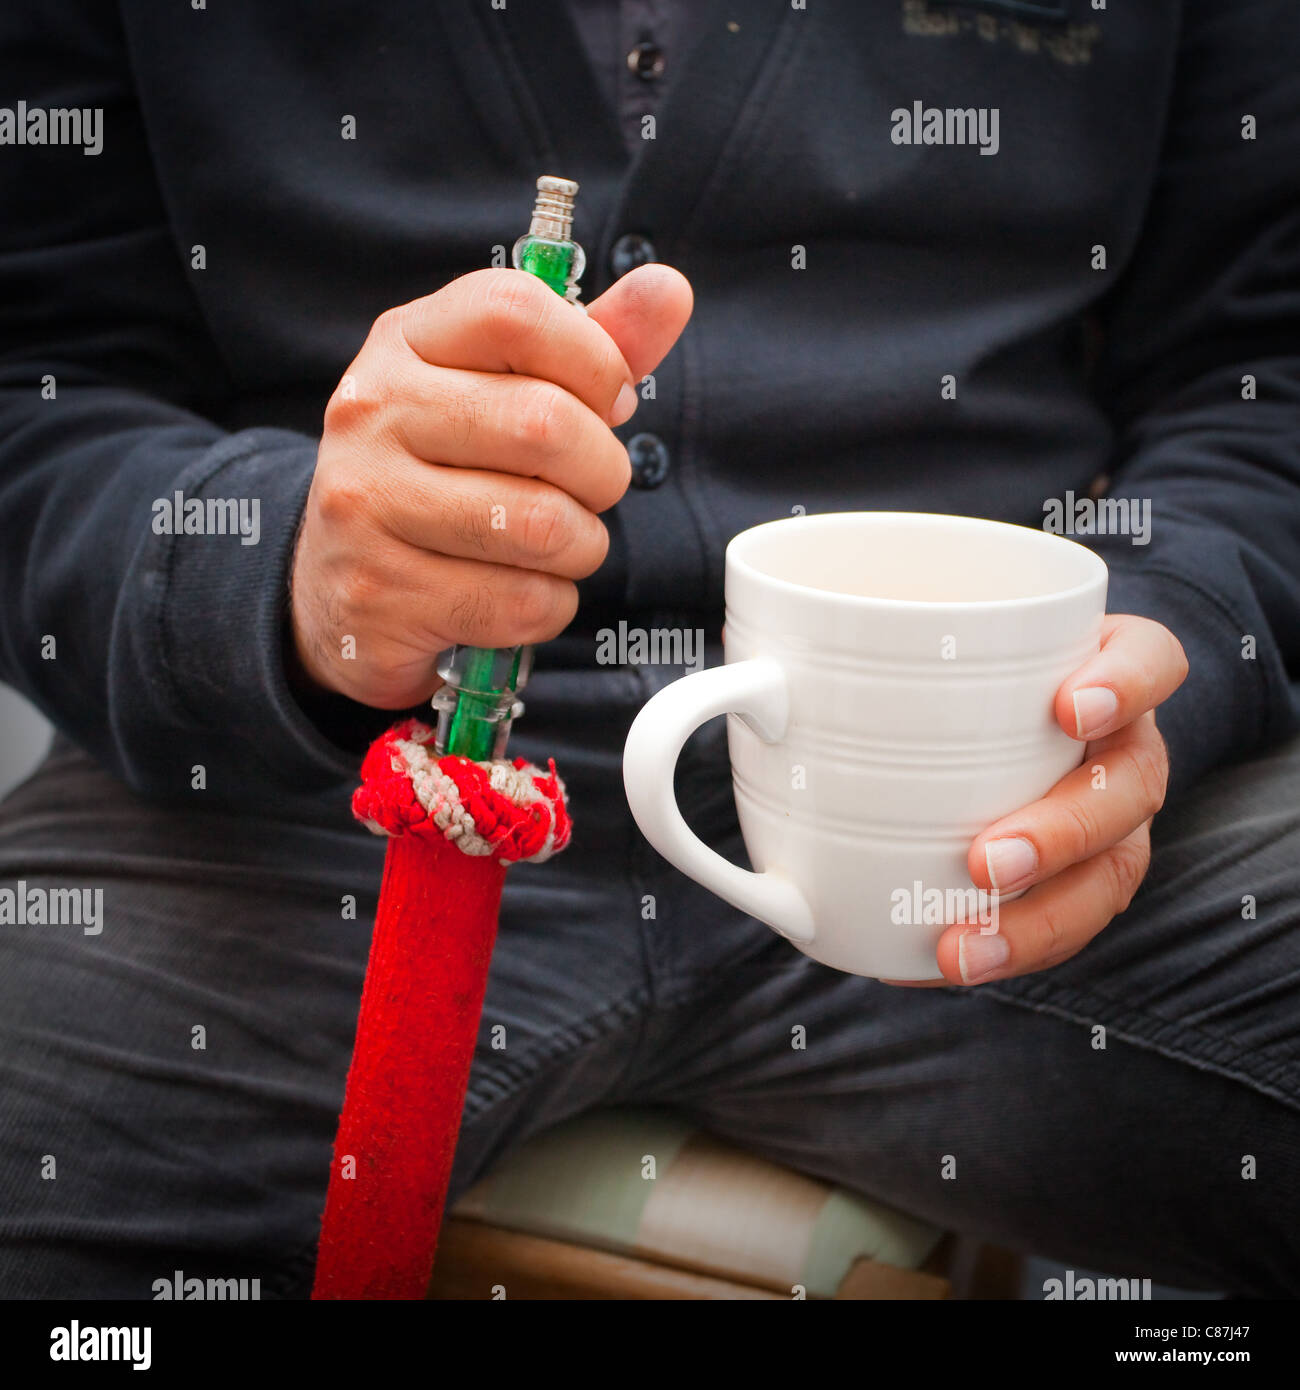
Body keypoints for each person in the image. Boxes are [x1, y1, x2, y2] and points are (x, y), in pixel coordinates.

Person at [1, 2, 1297, 1298]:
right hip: (276, 804)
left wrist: (1143, 670)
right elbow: (40, 385)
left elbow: (1261, 383)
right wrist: (277, 571)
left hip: (1007, 800)